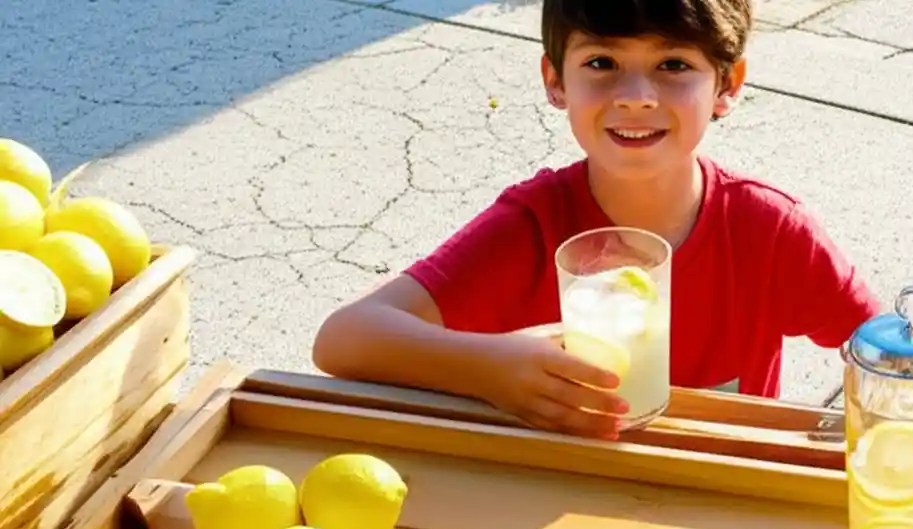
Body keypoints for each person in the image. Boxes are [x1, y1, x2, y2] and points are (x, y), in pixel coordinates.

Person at [312, 0, 881, 440]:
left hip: (718, 507)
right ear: (556, 79)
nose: (635, 96)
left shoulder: (769, 232)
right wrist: (487, 368)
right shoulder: (530, 227)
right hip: (562, 509)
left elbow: (888, 352)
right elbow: (344, 339)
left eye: (674, 64)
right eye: (602, 63)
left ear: (727, 85)